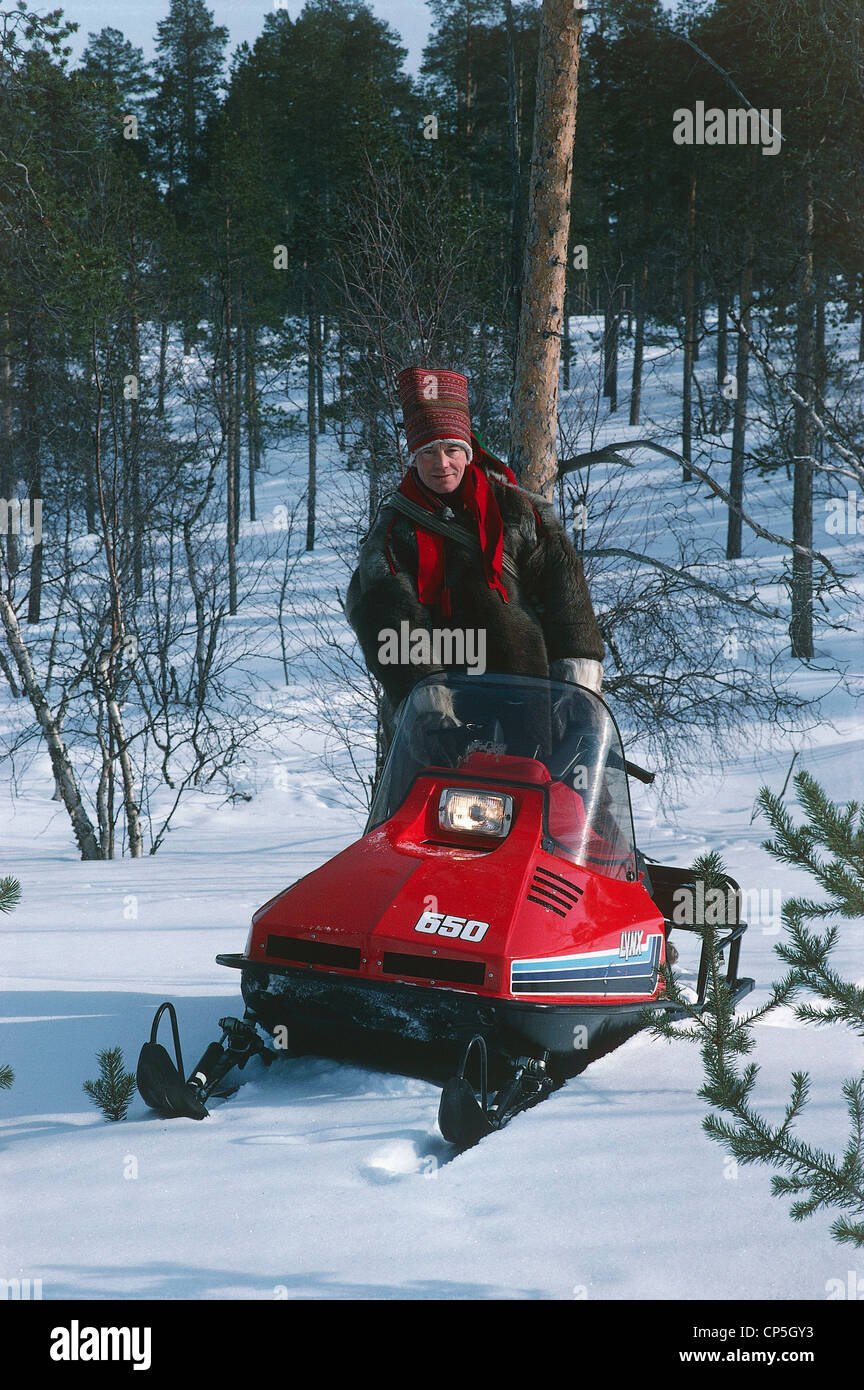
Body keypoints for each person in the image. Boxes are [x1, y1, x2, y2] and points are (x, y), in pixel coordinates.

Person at [346, 366, 605, 751]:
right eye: (429, 452)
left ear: (467, 451)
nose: (442, 463)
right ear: (413, 458)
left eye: (451, 450)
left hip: (531, 703)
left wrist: (577, 698)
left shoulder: (521, 513)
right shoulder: (391, 535)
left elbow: (569, 606)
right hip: (436, 722)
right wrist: (433, 715)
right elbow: (392, 629)